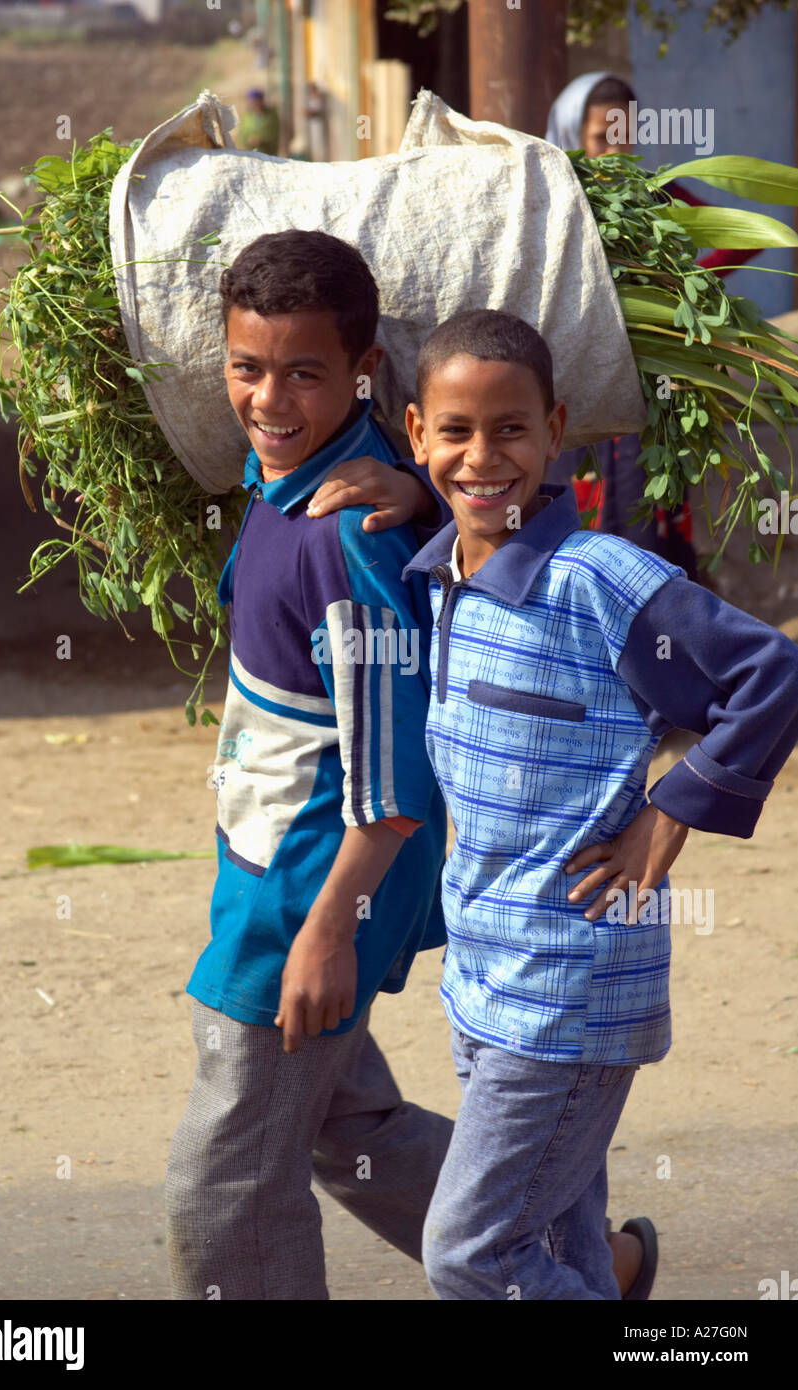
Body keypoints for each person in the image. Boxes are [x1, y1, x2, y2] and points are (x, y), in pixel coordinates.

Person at [398, 307, 798, 1299]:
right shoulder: (436, 576)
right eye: (453, 430)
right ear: (414, 434)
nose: (481, 455)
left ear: (556, 430)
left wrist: (672, 807)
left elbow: (772, 671)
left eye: (510, 429)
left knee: (471, 1254)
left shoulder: (603, 582)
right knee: (562, 1252)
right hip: (483, 979)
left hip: (569, 991)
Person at [164, 229, 454, 1301]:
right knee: (347, 1127)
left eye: (303, 372)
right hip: (272, 853)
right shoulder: (287, 478)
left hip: (312, 881)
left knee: (224, 1172)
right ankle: (576, 1266)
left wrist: (330, 930)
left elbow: (395, 766)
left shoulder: (350, 529)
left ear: (363, 370)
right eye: (248, 368)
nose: (270, 398)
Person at [545, 73, 757, 579]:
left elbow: (744, 238)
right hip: (568, 387)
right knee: (570, 525)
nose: (617, 149)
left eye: (627, 133)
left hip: (647, 387)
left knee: (648, 518)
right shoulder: (549, 201)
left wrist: (680, 291)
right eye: (602, 137)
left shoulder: (652, 196)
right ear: (573, 133)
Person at [237, 88, 281, 156]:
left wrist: (261, 140)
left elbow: (274, 133)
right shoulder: (247, 116)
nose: (254, 104)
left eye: (256, 101)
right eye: (251, 101)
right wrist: (248, 140)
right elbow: (242, 133)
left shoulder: (271, 115)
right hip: (250, 153)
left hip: (268, 153)